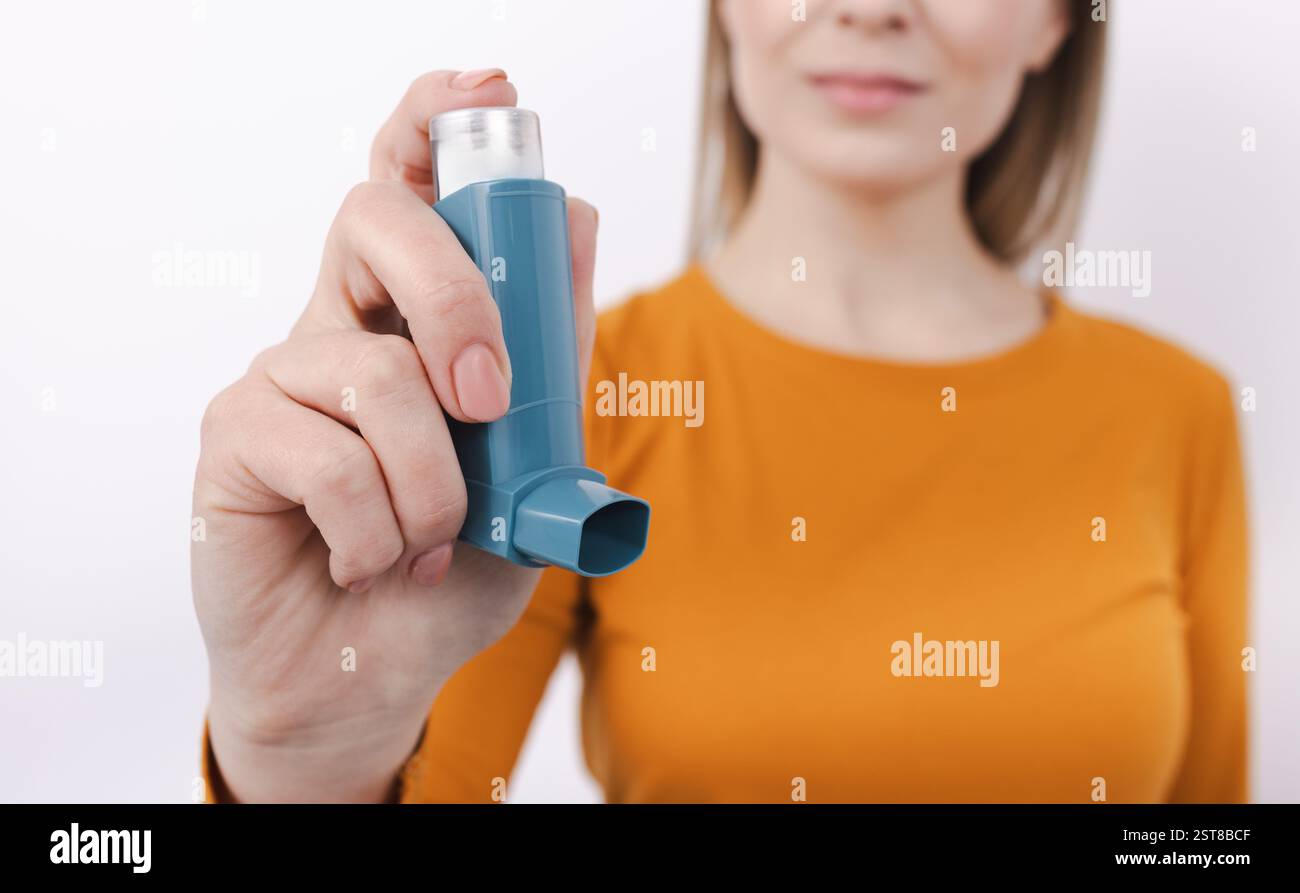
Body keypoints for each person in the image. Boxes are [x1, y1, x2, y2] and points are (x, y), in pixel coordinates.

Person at [192, 0, 1248, 803]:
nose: (872, 9)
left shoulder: (1176, 410)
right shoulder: (547, 402)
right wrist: (302, 755)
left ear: (1058, 22)